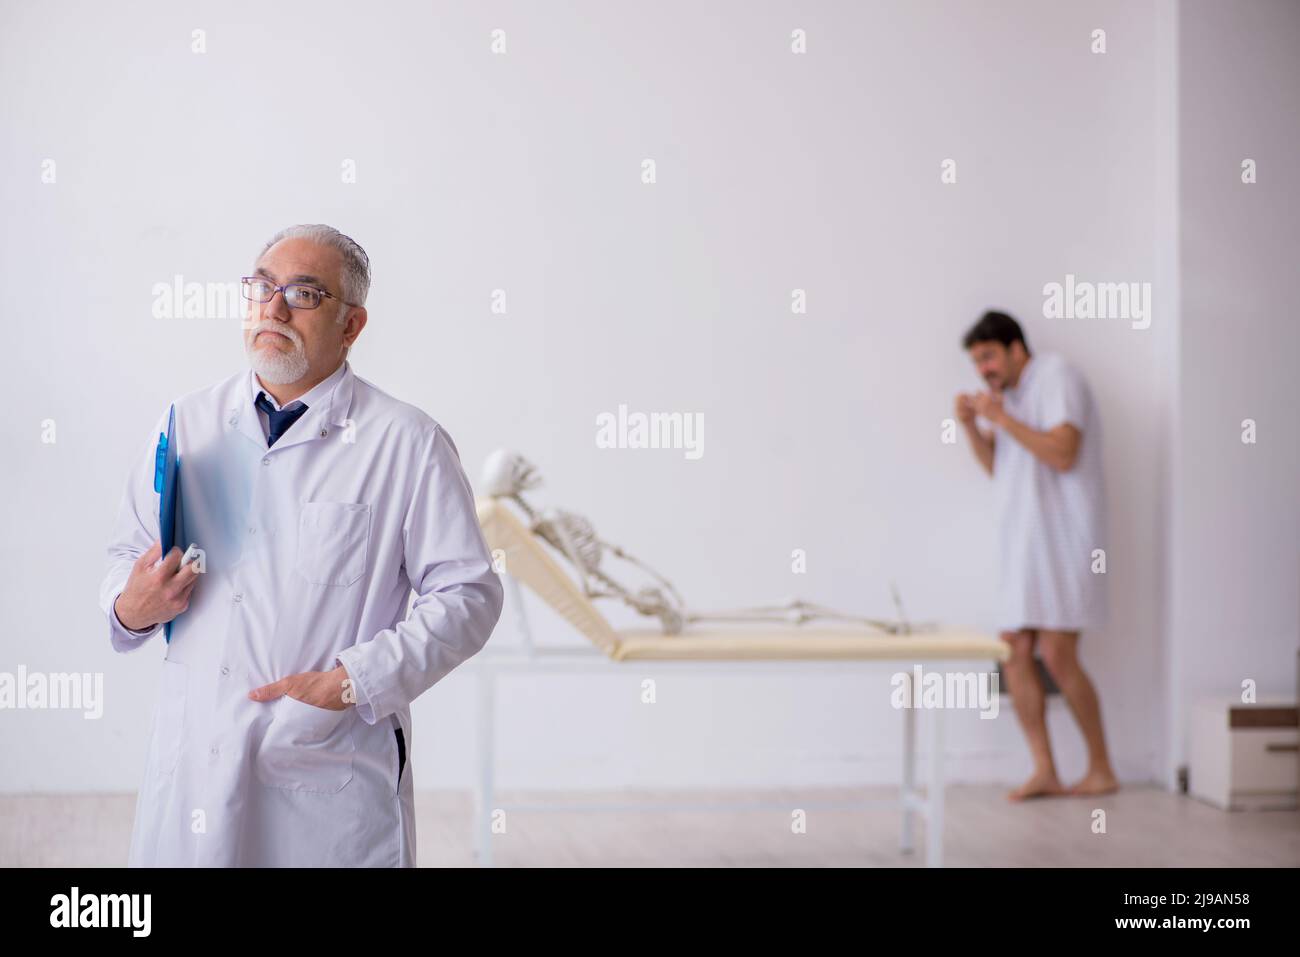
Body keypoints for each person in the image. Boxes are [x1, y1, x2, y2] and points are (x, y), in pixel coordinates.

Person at [99, 224, 504, 865]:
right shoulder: (188, 422)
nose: (275, 308)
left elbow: (469, 595)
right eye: (262, 286)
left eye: (305, 293)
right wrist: (131, 605)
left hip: (324, 770)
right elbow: (128, 555)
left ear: (351, 326)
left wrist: (355, 681)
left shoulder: (406, 442)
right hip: (196, 756)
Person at [955, 310, 1118, 800]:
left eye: (987, 356)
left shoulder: (1057, 377)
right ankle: (1044, 768)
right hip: (1021, 546)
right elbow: (998, 468)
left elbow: (1064, 452)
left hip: (1062, 543)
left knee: (1059, 655)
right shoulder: (1012, 398)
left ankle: (1102, 767)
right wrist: (973, 427)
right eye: (976, 362)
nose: (982, 369)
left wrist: (1001, 417)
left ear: (1015, 348)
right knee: (1015, 651)